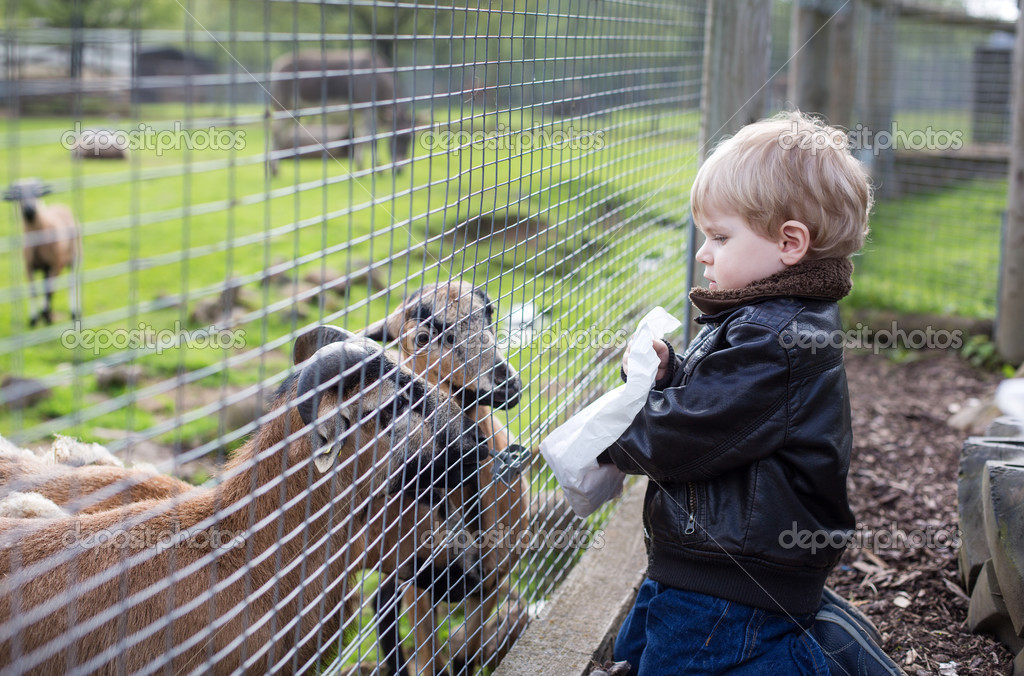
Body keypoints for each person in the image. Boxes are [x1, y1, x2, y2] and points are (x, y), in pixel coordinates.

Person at [597, 110, 873, 675]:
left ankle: (816, 660)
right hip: (717, 559)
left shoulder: (776, 337)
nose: (704, 252)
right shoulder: (764, 320)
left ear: (790, 242)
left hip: (733, 578)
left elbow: (691, 433)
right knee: (635, 651)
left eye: (720, 236)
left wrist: (610, 435)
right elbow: (725, 412)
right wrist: (673, 373)